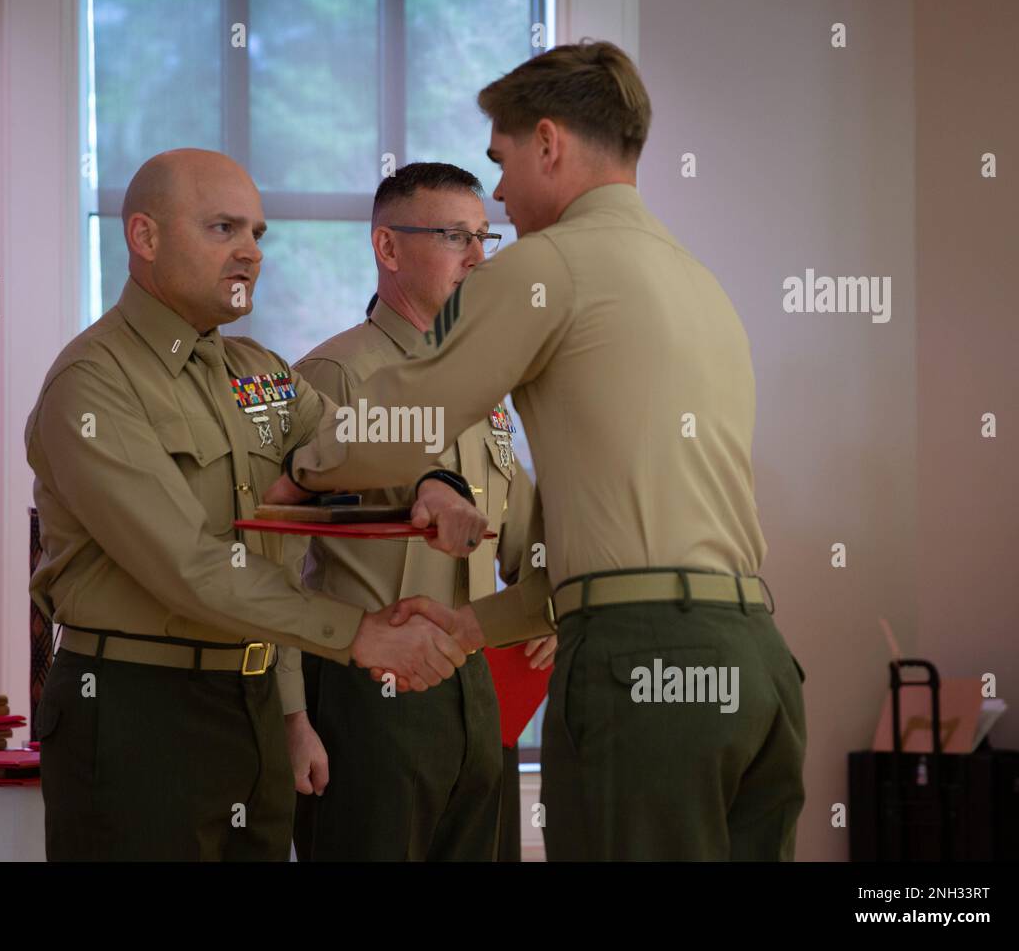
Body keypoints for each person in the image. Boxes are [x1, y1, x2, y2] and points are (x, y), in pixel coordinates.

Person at [266, 42, 807, 861]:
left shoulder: (547, 265)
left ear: (548, 143)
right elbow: (588, 534)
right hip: (755, 660)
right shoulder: (697, 281)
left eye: (502, 161)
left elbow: (411, 413)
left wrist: (299, 472)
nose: (502, 198)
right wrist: (473, 625)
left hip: (642, 663)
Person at [24, 148, 475, 861]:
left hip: (253, 701)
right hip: (139, 704)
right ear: (144, 237)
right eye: (223, 228)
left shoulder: (256, 370)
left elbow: (352, 438)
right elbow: (188, 565)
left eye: (257, 233)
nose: (250, 253)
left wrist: (433, 483)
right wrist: (357, 633)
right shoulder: (93, 383)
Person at [282, 162, 556, 861]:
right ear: (388, 248)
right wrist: (290, 715)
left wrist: (553, 603)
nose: (477, 258)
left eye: (484, 237)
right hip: (367, 687)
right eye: (454, 237)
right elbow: (275, 559)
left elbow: (526, 535)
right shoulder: (335, 375)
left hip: (474, 683)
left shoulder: (479, 382)